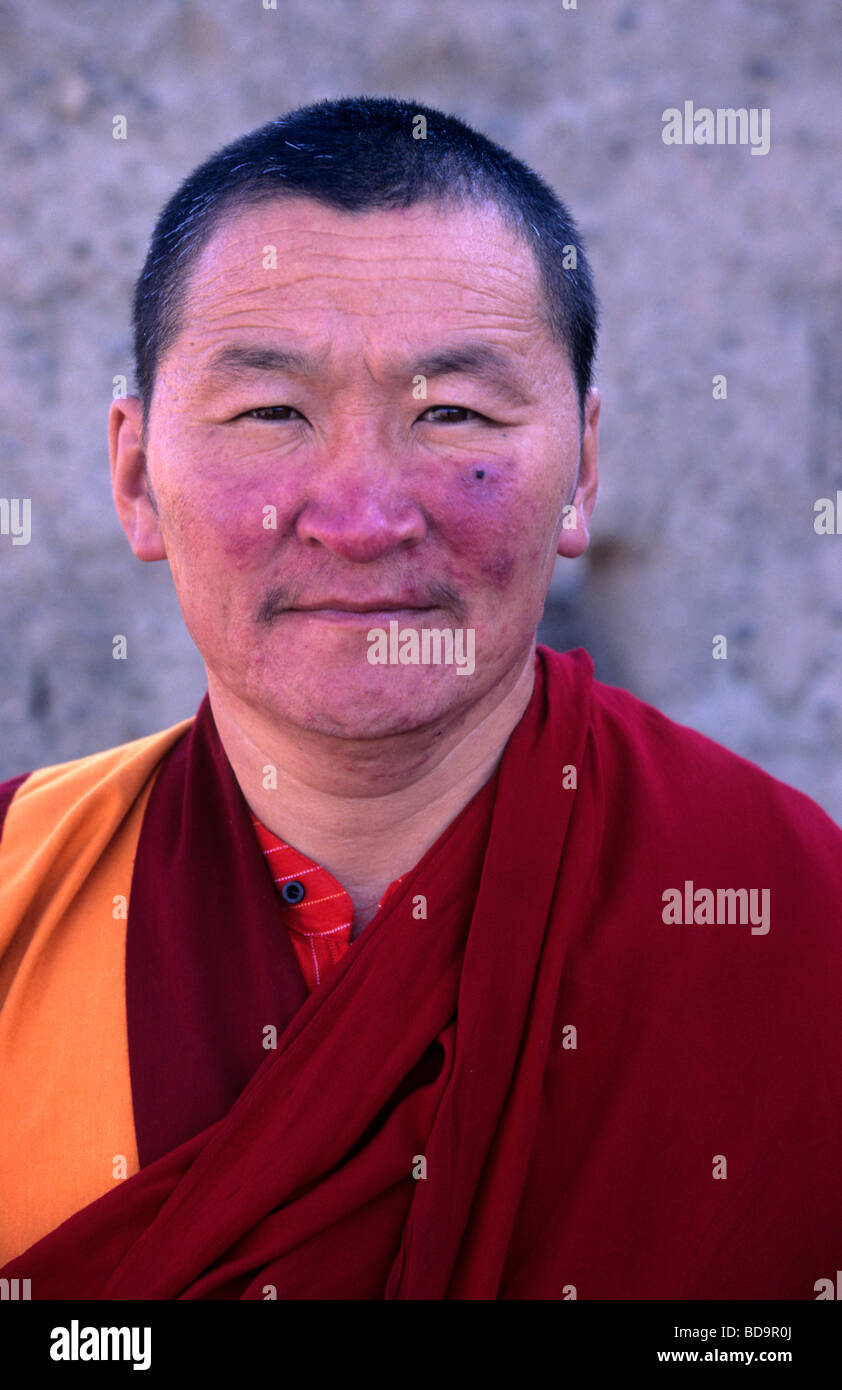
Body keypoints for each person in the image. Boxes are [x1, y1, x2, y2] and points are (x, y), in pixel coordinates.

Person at [1, 96, 840, 1302]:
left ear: (581, 473)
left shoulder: (785, 913)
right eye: (269, 413)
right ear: (136, 474)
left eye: (451, 413)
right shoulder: (15, 896)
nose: (360, 518)